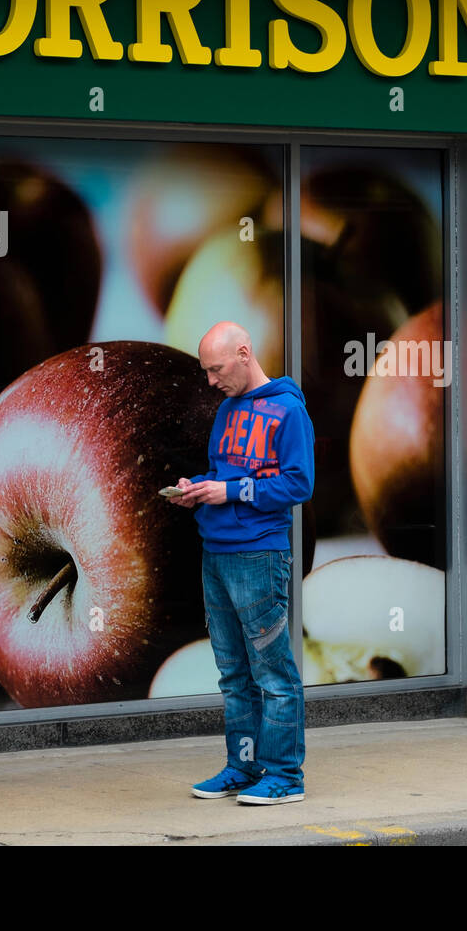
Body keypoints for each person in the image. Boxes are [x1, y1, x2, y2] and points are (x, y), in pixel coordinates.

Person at [168, 321, 314, 805]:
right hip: (216, 553)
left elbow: (298, 485)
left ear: (244, 353)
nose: (210, 381)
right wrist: (200, 489)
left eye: (216, 369)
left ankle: (286, 776)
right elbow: (223, 473)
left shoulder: (288, 410)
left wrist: (228, 490)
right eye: (206, 371)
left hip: (259, 556)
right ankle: (244, 766)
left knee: (273, 673)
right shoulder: (228, 410)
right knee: (233, 675)